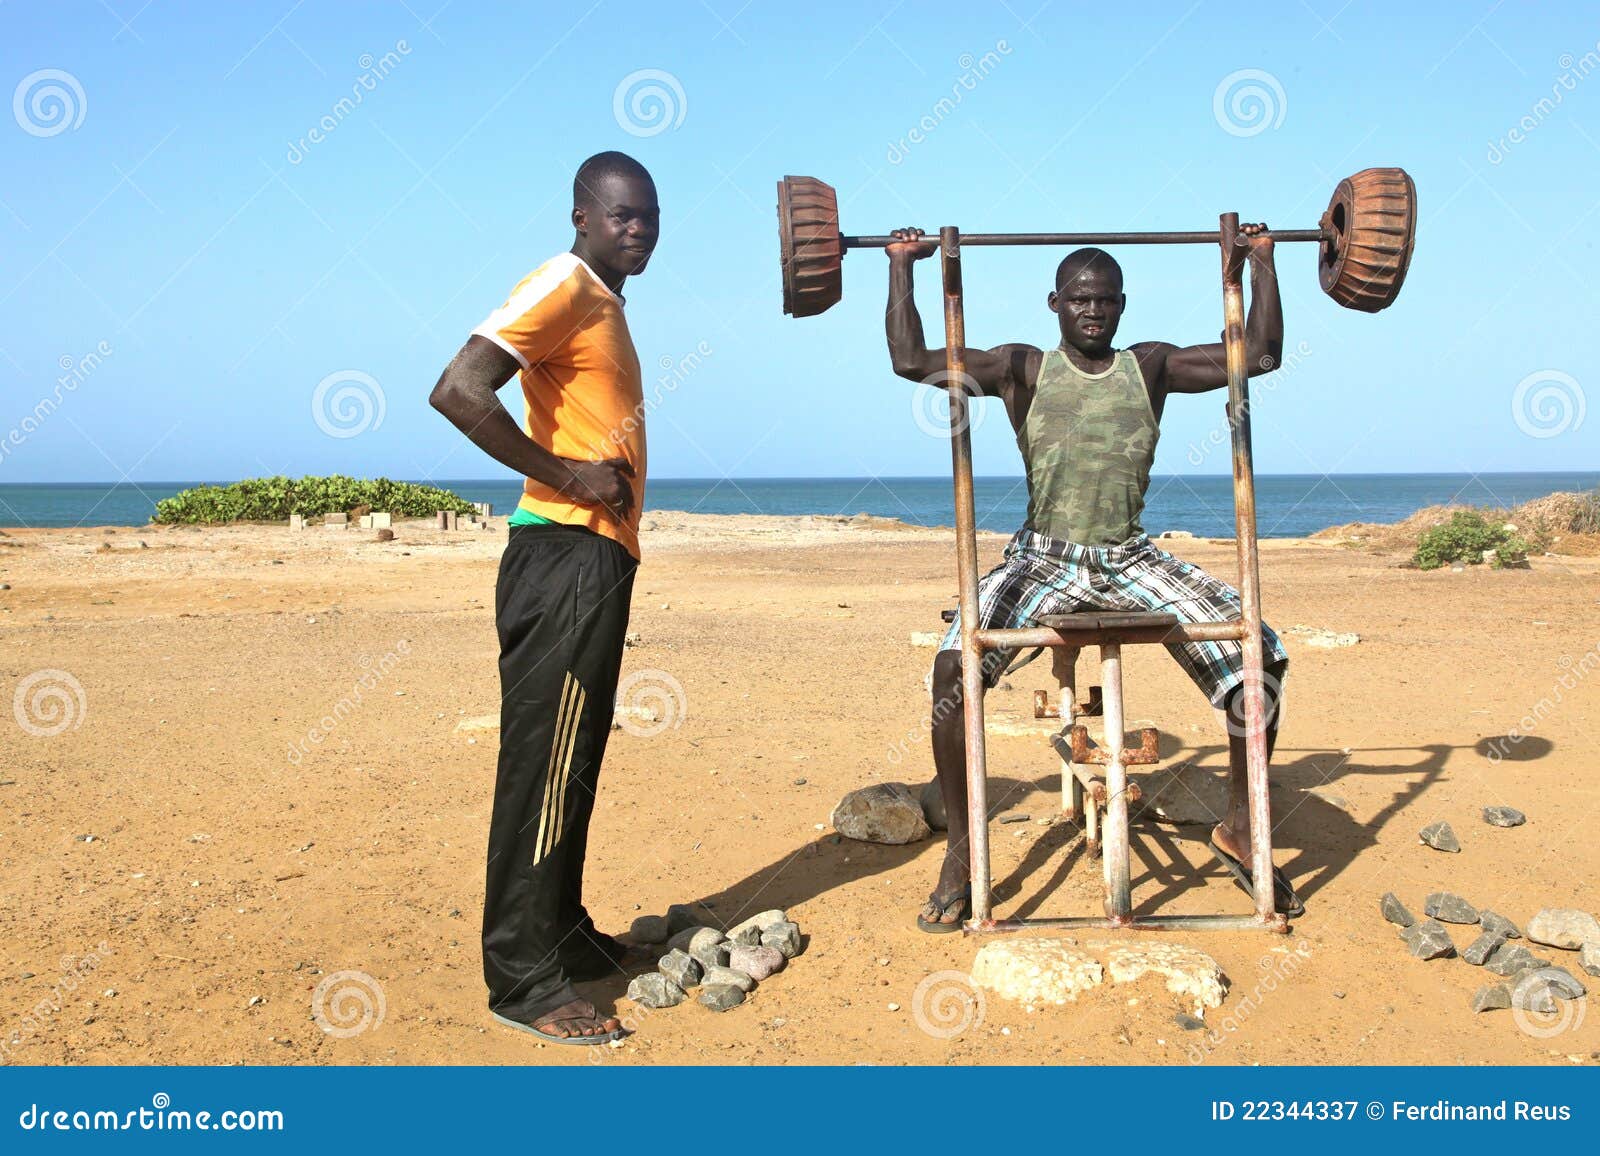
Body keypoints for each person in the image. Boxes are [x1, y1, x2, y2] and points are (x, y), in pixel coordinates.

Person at [883, 224, 1301, 932]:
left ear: (1123, 304)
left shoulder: (1153, 366)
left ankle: (1238, 824)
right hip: (1044, 557)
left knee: (1257, 655)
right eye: (1080, 300)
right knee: (954, 669)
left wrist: (1261, 263)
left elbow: (1257, 354)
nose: (1093, 312)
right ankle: (960, 848)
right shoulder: (1023, 368)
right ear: (1055, 303)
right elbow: (910, 360)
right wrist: (903, 269)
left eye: (1106, 301)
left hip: (1129, 555)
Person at [428, 151, 660, 1042]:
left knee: (577, 753)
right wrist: (570, 474)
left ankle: (561, 932)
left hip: (594, 558)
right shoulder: (562, 284)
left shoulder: (602, 301)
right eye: (621, 215)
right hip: (560, 555)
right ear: (580, 217)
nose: (638, 229)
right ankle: (522, 980)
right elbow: (458, 390)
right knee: (544, 764)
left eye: (649, 216)